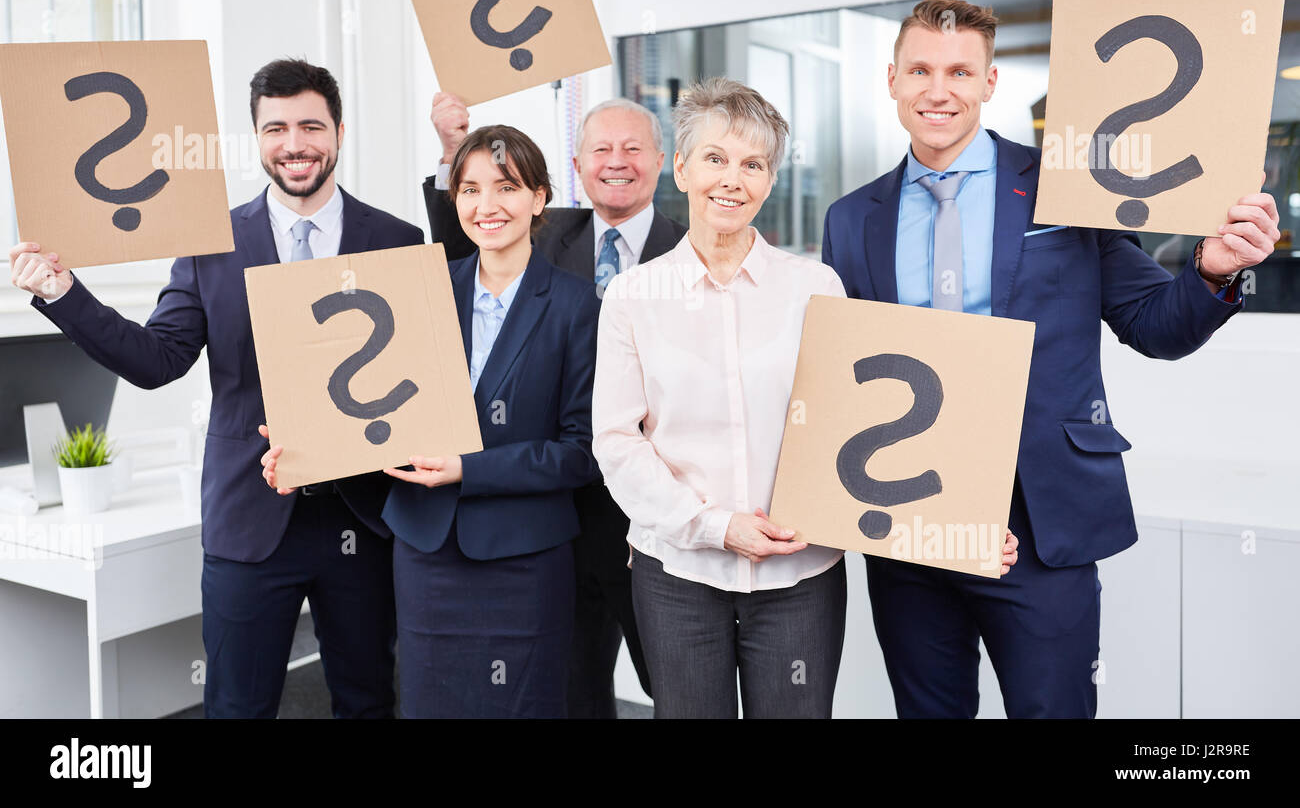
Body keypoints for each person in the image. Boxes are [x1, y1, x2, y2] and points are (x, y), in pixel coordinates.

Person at [822, 0, 1281, 719]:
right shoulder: (850, 219)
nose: (938, 90)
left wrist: (1213, 270)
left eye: (959, 72)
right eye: (920, 69)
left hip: (1040, 518)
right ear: (891, 79)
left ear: (989, 83)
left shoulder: (1067, 186)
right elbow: (843, 374)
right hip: (912, 519)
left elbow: (1153, 324)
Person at [593, 77, 1020, 718]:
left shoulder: (815, 288)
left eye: (753, 164)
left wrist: (961, 522)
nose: (732, 180)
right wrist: (715, 526)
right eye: (714, 159)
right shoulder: (632, 297)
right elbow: (617, 440)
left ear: (770, 180)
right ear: (680, 168)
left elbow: (875, 422)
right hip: (677, 572)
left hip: (800, 576)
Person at [9, 58, 423, 717]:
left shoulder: (398, 241)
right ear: (257, 138)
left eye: (312, 126)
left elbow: (419, 378)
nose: (296, 144)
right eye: (277, 127)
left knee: (369, 698)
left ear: (340, 132)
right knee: (236, 705)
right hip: (250, 519)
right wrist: (62, 292)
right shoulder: (210, 243)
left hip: (362, 520)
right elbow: (156, 359)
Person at [275, 124, 597, 717]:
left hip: (524, 559)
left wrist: (466, 470)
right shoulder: (420, 291)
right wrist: (307, 447)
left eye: (506, 187)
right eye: (469, 190)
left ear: (540, 198)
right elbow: (372, 410)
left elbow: (581, 452)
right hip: (427, 554)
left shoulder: (579, 306)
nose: (486, 206)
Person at [423, 93, 681, 717]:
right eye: (600, 149)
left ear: (662, 160)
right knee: (572, 686)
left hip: (650, 514)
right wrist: (456, 145)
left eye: (632, 148)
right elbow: (465, 245)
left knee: (674, 684)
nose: (616, 162)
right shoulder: (546, 230)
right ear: (575, 166)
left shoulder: (692, 248)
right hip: (552, 518)